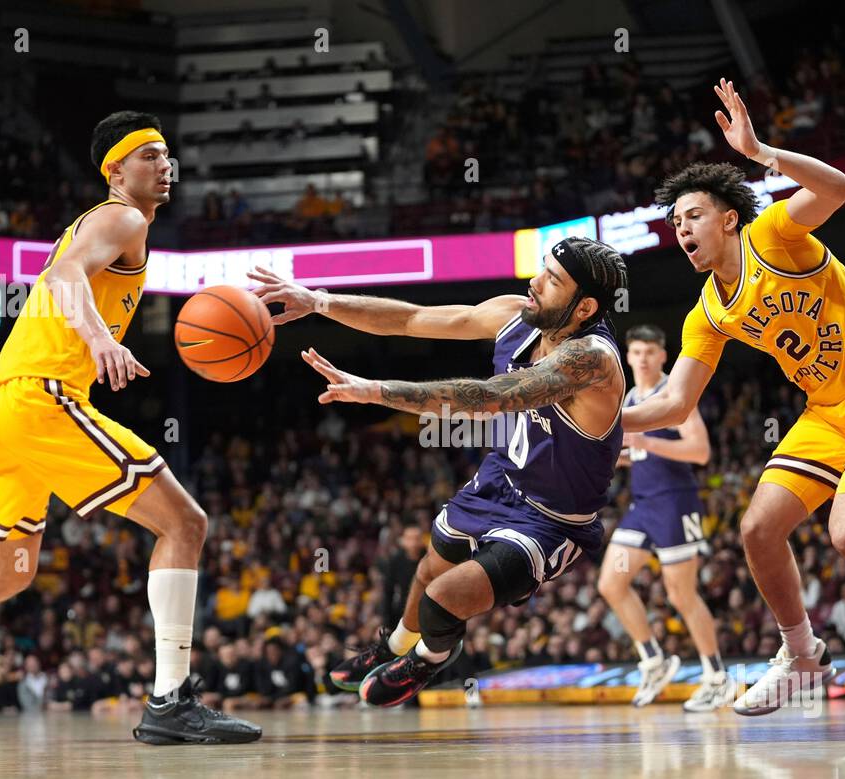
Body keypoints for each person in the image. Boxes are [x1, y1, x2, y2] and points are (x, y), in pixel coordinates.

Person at [0, 111, 260, 747]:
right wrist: (97, 338)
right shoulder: (117, 217)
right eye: (148, 154)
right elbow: (60, 275)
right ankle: (171, 702)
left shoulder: (118, 225)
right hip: (42, 397)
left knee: (9, 570)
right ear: (115, 170)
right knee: (185, 523)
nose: (164, 164)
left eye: (167, 154)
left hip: (3, 407)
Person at [624, 78, 845, 721]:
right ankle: (802, 656)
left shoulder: (773, 236)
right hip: (826, 409)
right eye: (675, 221)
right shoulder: (706, 312)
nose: (681, 228)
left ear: (729, 217)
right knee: (758, 529)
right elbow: (676, 403)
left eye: (693, 215)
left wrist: (762, 151)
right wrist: (593, 422)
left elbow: (838, 189)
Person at [249, 236, 628, 706]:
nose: (534, 281)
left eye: (552, 280)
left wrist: (378, 392)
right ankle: (392, 647)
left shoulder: (590, 360)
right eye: (542, 269)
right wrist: (319, 301)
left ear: (583, 306)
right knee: (429, 567)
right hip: (500, 480)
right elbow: (411, 319)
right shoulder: (515, 313)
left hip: (553, 518)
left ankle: (428, 658)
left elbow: (490, 398)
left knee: (445, 596)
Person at [598, 324, 735, 711]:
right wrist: (617, 457)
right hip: (643, 507)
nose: (642, 358)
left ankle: (716, 676)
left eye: (650, 351)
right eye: (636, 351)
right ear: (627, 356)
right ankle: (654, 662)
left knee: (680, 593)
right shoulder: (629, 397)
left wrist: (646, 442)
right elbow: (638, 453)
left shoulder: (674, 394)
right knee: (612, 583)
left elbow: (700, 451)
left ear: (663, 356)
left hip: (676, 503)